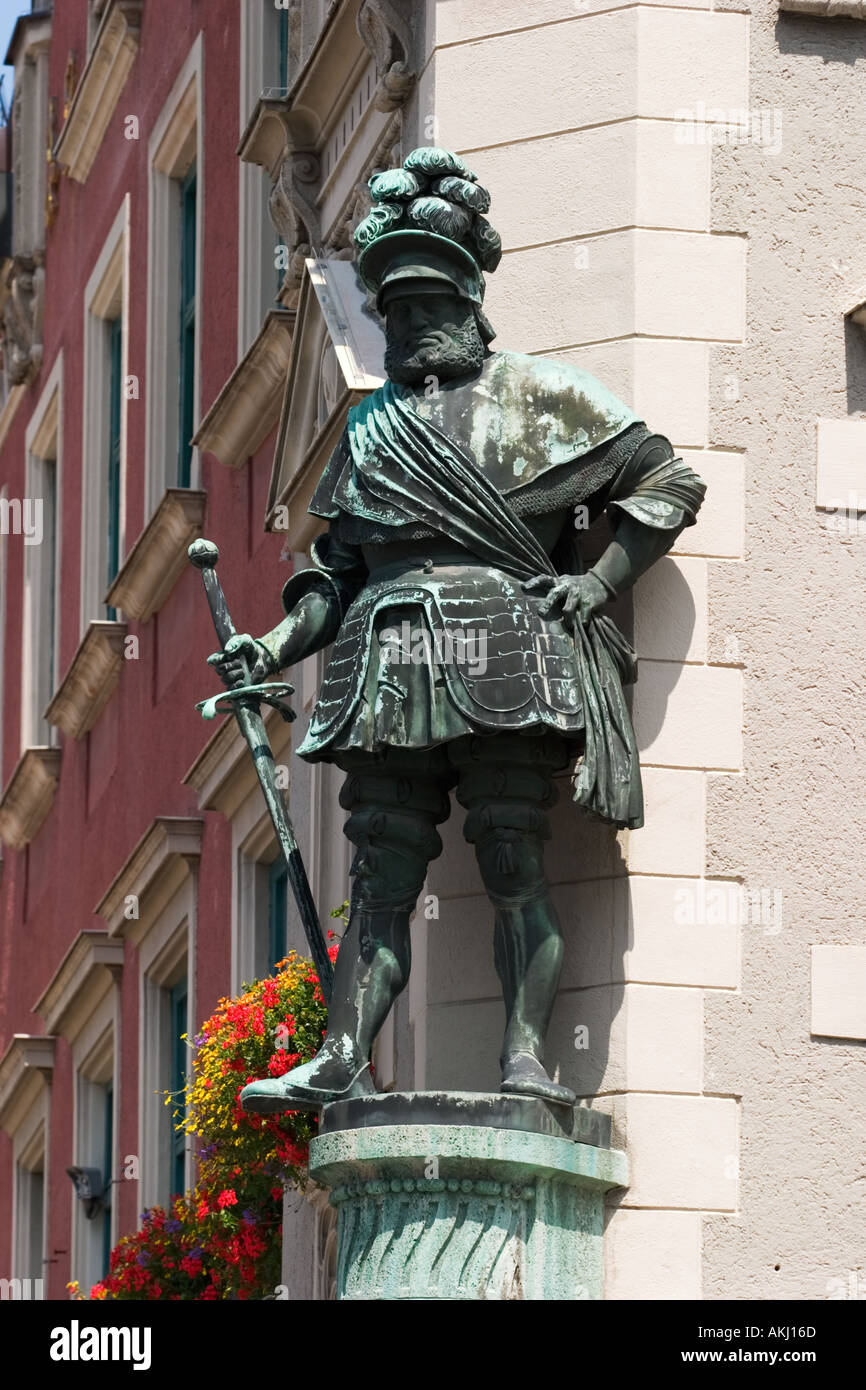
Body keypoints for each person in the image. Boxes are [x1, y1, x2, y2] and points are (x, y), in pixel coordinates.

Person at [209, 147, 706, 1111]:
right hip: (385, 658)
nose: (406, 321)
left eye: (426, 302)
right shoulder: (369, 431)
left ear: (471, 297)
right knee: (383, 870)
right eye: (392, 307)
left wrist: (598, 583)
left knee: (514, 855)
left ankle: (525, 1057)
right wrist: (269, 650)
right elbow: (333, 574)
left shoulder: (549, 399)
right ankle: (342, 1056)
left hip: (506, 647)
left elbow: (668, 481)